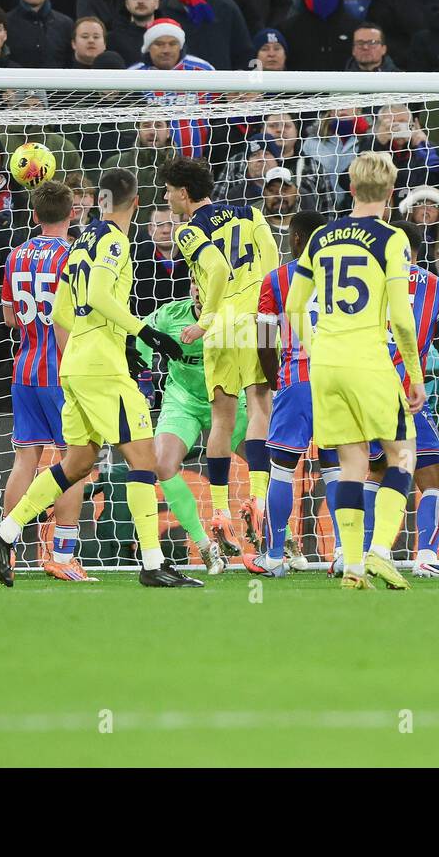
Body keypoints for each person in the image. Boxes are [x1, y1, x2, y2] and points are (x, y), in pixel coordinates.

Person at [0, 168, 194, 588]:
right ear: (136, 203)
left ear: (98, 200)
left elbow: (61, 312)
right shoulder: (113, 239)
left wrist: (109, 343)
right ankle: (152, 563)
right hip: (99, 369)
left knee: (75, 463)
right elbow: (96, 296)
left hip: (71, 366)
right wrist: (140, 333)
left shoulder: (80, 242)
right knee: (143, 461)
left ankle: (3, 534)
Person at [283, 151, 423, 591]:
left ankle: (352, 566)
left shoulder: (322, 236)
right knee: (402, 454)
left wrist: (315, 345)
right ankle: (380, 551)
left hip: (325, 364)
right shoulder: (391, 239)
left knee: (351, 463)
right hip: (368, 361)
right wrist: (414, 375)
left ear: (350, 187)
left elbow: (292, 305)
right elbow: (401, 317)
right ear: (391, 193)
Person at [161, 155, 278, 553]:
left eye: (168, 191)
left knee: (221, 421)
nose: (166, 197)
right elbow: (273, 263)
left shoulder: (189, 231)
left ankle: (220, 513)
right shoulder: (252, 213)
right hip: (262, 322)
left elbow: (214, 269)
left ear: (183, 193)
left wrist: (208, 318)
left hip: (224, 326)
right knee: (261, 408)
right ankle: (259, 499)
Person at [354, 219, 439, 579]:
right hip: (403, 394)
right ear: (419, 250)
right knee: (432, 475)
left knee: (374, 470)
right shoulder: (435, 286)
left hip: (360, 387)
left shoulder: (366, 278)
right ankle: (426, 556)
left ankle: (361, 554)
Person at [0, 181, 91, 581]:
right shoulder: (74, 256)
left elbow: (8, 318)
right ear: (73, 213)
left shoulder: (15, 255)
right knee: (74, 462)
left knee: (26, 460)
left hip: (25, 369)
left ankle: (8, 550)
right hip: (62, 371)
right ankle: (63, 555)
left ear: (34, 215)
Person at [243, 210, 337, 577]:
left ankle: (275, 557)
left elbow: (265, 339)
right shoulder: (341, 275)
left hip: (296, 379)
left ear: (296, 239)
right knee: (337, 467)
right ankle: (344, 554)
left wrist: (275, 378)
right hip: (337, 381)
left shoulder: (277, 279)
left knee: (281, 468)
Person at [139, 280, 250, 575]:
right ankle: (206, 547)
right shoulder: (169, 315)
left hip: (228, 400)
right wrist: (144, 376)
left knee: (266, 464)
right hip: (183, 401)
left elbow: (267, 341)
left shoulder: (236, 315)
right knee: (162, 465)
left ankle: (284, 539)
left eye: (204, 283)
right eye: (193, 283)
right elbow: (139, 333)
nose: (198, 289)